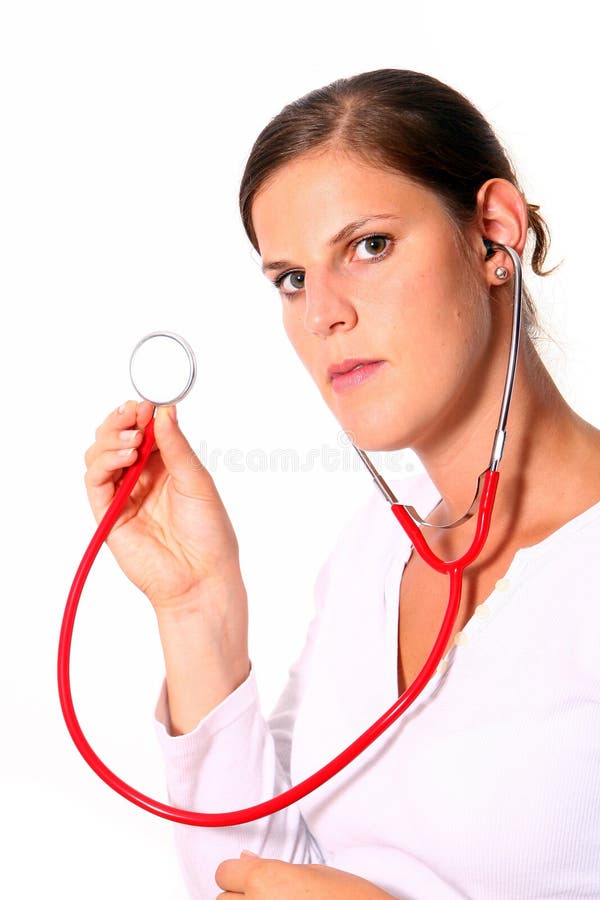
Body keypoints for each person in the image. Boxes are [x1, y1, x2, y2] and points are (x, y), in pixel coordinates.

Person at [83, 70, 600, 899]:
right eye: (289, 278)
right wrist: (198, 607)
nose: (322, 313)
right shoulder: (371, 554)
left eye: (368, 246)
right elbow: (256, 869)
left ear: (493, 235)